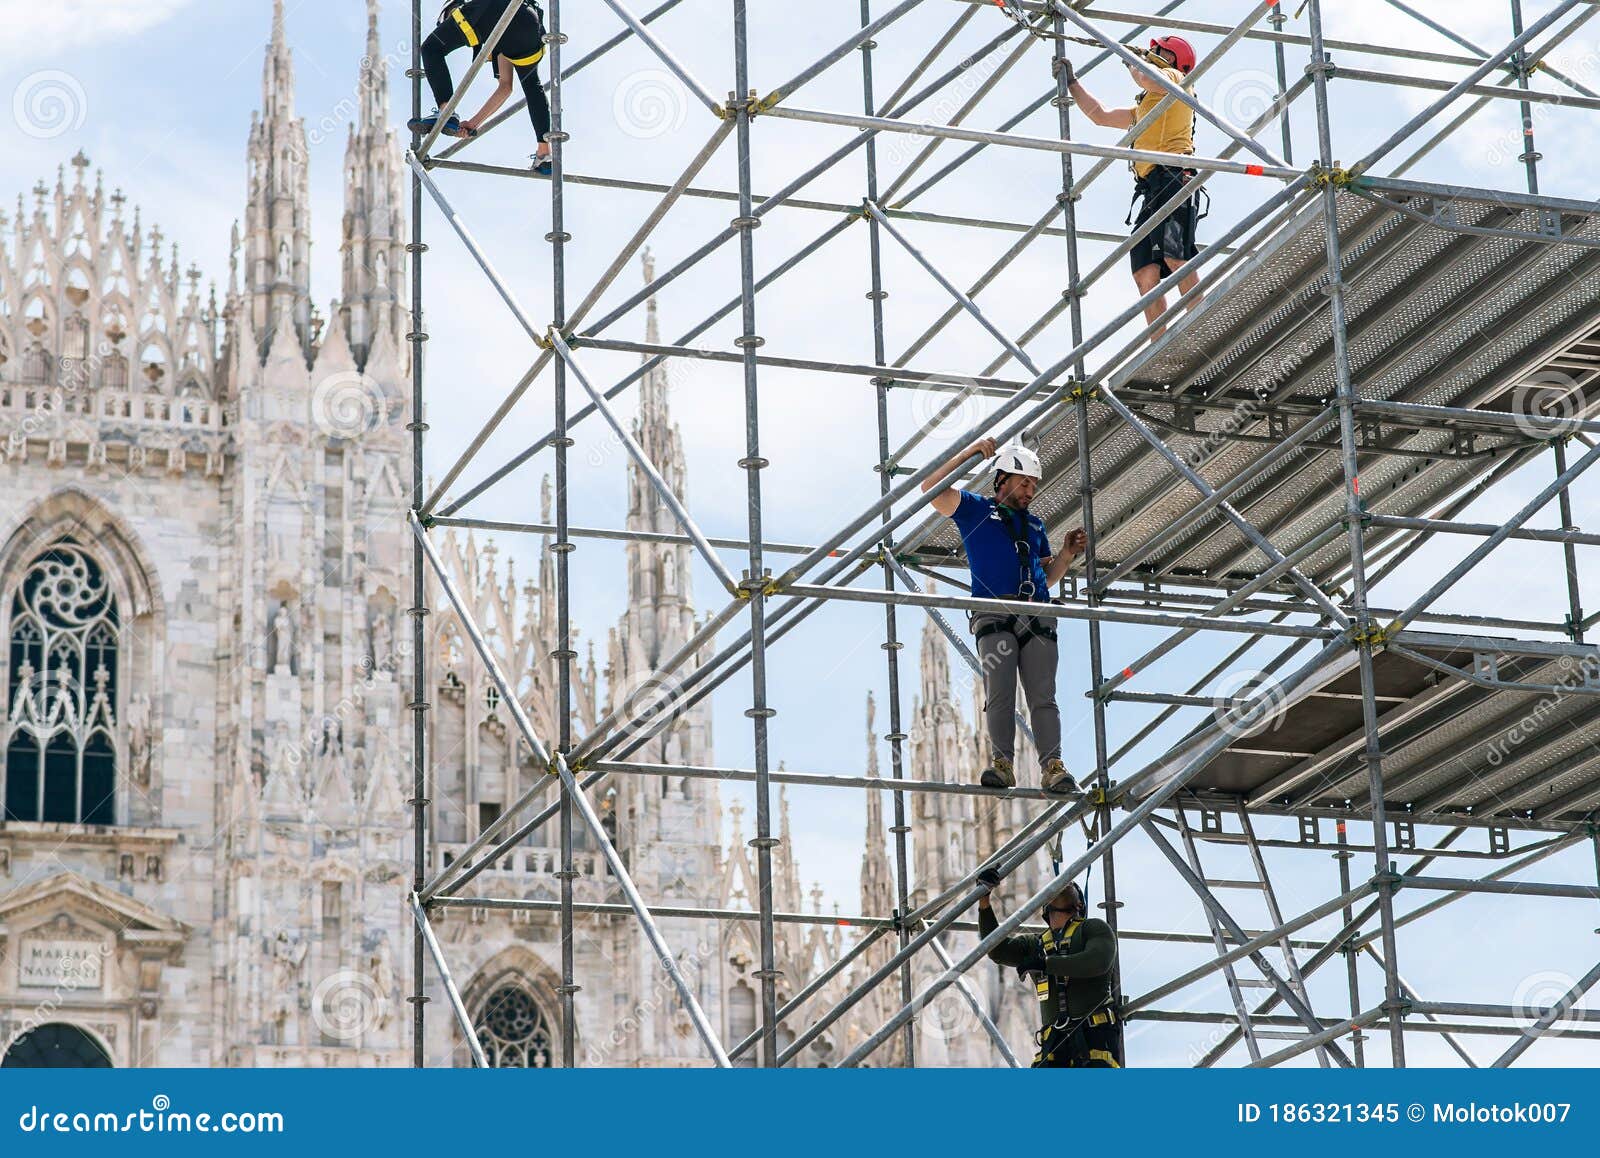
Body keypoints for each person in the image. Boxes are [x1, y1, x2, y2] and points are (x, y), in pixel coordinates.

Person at [922, 436, 1086, 794]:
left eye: (1033, 484)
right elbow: (931, 489)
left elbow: (1048, 575)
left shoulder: (1035, 526)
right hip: (995, 611)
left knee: (1043, 696)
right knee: (1001, 692)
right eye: (1023, 482)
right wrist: (966, 454)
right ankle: (1002, 763)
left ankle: (1052, 766)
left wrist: (1065, 555)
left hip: (1035, 612)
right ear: (1002, 480)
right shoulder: (975, 509)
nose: (1030, 490)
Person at [1064, 36, 1204, 334]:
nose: (1151, 53)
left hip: (1174, 175)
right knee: (1144, 271)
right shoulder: (1146, 105)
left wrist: (1130, 59)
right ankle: (1161, 342)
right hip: (1153, 185)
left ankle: (1201, 326)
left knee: (1174, 253)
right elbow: (1099, 116)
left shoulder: (1177, 79)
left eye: (1157, 50)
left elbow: (1150, 79)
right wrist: (1072, 84)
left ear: (1173, 57)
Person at [976, 867, 1120, 1068]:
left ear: (1078, 904)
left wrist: (1046, 964)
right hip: (1054, 1044)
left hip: (1093, 1037)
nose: (1064, 884)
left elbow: (1097, 961)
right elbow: (997, 950)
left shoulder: (1092, 929)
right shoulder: (1037, 944)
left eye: (1070, 885)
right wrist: (984, 901)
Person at [410, 1, 553, 174]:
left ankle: (446, 111)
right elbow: (505, 88)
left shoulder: (471, 10)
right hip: (529, 24)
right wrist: (473, 123)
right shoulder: (500, 38)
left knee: (431, 48)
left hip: (489, 10)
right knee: (531, 84)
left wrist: (448, 117)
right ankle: (545, 153)